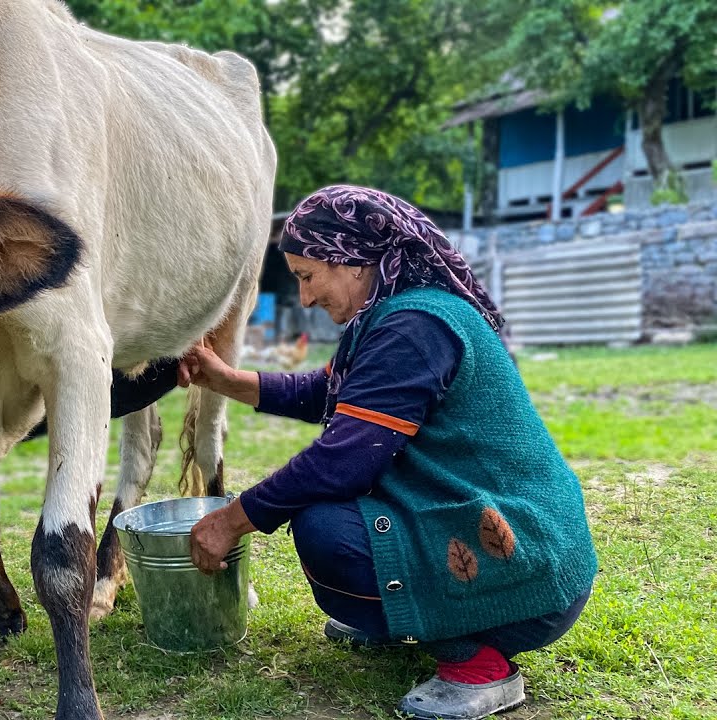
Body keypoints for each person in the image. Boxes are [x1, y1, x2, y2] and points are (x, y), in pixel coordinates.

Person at [179, 185, 597, 720]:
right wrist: (227, 379)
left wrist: (230, 521)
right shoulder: (395, 316)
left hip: (530, 578)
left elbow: (341, 461)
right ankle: (399, 615)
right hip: (532, 548)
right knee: (335, 525)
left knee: (325, 532)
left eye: (308, 276)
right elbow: (325, 393)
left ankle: (480, 668)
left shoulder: (412, 328)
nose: (305, 298)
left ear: (353, 261)